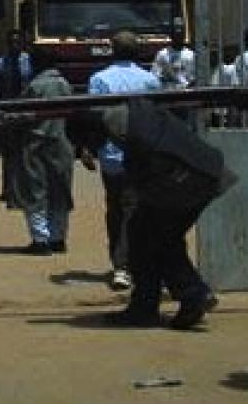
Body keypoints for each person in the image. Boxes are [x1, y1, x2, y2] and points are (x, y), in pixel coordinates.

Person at [68, 98, 234, 330]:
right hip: (202, 172)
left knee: (154, 238)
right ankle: (154, 304)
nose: (94, 150)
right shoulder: (129, 115)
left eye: (89, 143)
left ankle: (190, 294)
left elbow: (144, 178)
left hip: (192, 179)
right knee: (147, 233)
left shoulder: (134, 139)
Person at [87, 30, 161, 291]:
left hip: (112, 155)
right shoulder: (150, 80)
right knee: (134, 209)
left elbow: (94, 118)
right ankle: (127, 263)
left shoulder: (99, 80)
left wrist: (88, 148)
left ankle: (122, 264)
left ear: (112, 50)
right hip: (141, 153)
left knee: (117, 209)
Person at [15, 46, 74, 255]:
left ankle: (40, 240)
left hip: (36, 145)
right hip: (61, 143)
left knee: (35, 194)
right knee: (60, 192)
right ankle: (58, 238)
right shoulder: (64, 84)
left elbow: (22, 114)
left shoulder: (35, 86)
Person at [0, 30, 33, 205]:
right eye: (11, 42)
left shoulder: (29, 62)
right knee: (8, 154)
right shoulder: (0, 63)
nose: (14, 45)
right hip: (7, 111)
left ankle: (25, 191)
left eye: (17, 42)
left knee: (25, 153)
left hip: (25, 111)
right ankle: (8, 191)